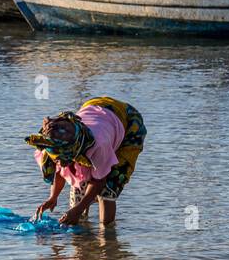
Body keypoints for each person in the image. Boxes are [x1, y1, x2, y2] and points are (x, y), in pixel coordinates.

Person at [28, 97, 147, 227]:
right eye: (58, 159)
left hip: (128, 122)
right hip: (94, 107)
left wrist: (78, 210)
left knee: (108, 189)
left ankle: (107, 235)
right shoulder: (54, 142)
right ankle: (83, 236)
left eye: (63, 159)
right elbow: (59, 170)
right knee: (78, 197)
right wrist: (53, 197)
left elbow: (99, 181)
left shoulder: (98, 146)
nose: (61, 164)